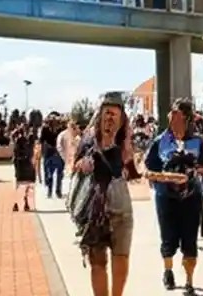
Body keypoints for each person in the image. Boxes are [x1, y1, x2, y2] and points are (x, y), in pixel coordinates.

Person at [143, 99, 203, 295]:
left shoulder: (198, 141)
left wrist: (196, 170)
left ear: (187, 119)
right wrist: (160, 176)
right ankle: (168, 271)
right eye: (172, 114)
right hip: (165, 196)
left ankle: (189, 282)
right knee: (168, 237)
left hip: (192, 196)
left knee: (190, 240)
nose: (173, 119)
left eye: (178, 115)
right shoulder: (160, 141)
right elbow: (148, 166)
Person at [72, 94, 138, 296]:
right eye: (107, 113)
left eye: (115, 114)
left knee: (121, 256)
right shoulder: (88, 140)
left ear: (122, 118)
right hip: (95, 209)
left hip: (120, 208)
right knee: (97, 262)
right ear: (99, 115)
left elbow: (132, 173)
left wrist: (127, 153)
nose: (110, 119)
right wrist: (82, 164)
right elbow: (75, 165)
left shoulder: (125, 140)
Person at [12, 126, 38, 212]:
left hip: (21, 166)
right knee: (27, 186)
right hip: (27, 166)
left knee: (19, 185)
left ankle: (17, 204)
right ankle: (25, 203)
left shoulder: (19, 141)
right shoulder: (29, 142)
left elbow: (15, 155)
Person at [40, 113, 65, 199]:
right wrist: (43, 151)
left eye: (56, 121)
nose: (54, 122)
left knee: (60, 174)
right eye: (52, 121)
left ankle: (58, 191)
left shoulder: (61, 129)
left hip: (59, 154)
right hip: (49, 154)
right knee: (49, 174)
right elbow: (42, 141)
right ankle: (50, 190)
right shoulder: (45, 129)